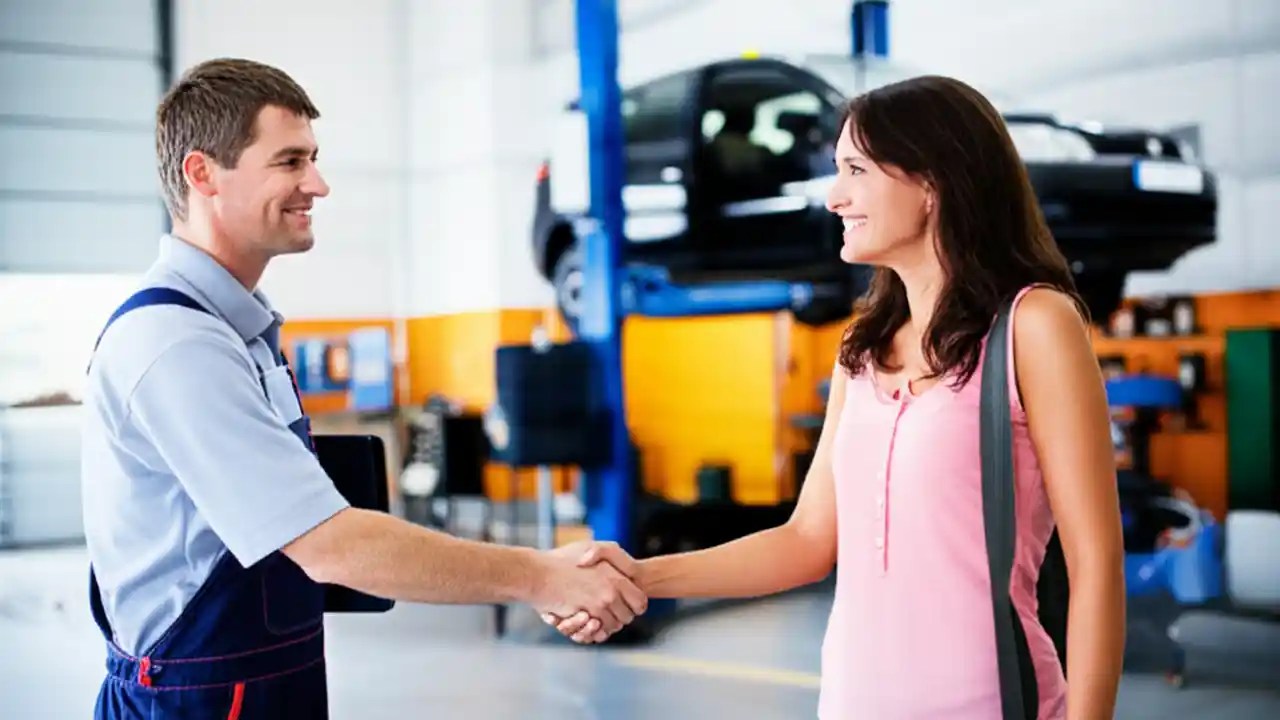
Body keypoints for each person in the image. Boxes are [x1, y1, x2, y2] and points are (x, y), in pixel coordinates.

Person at [80, 57, 646, 720]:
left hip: (257, 679)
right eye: (290, 162)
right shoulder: (178, 345)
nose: (317, 185)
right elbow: (332, 545)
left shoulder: (237, 330)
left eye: (313, 159)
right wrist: (540, 576)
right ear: (202, 174)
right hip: (196, 699)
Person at [546, 75, 1127, 719]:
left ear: (932, 184)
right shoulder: (862, 347)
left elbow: (1095, 562)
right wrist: (639, 576)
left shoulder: (1033, 327)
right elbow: (807, 541)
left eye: (855, 170)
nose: (833, 196)